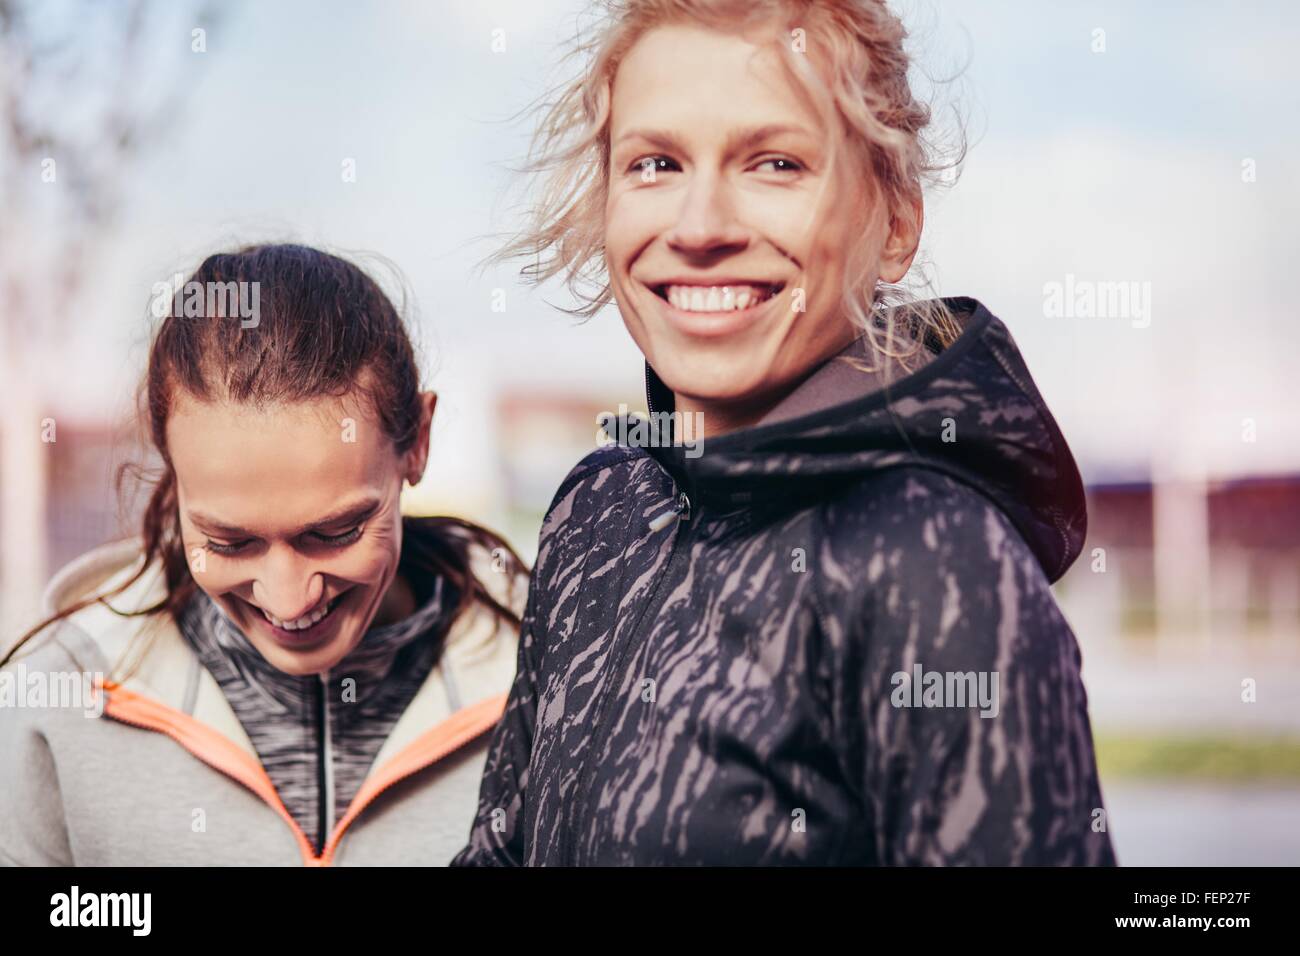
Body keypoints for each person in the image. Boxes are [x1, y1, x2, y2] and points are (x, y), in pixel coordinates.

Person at [453, 0, 1117, 865]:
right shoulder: (597, 510)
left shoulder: (934, 559)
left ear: (897, 227)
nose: (698, 229)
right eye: (655, 163)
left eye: (774, 163)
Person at [0, 244, 525, 866]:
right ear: (171, 463)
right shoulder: (53, 701)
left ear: (418, 443)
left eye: (335, 532)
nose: (288, 598)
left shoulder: (558, 683)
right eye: (228, 542)